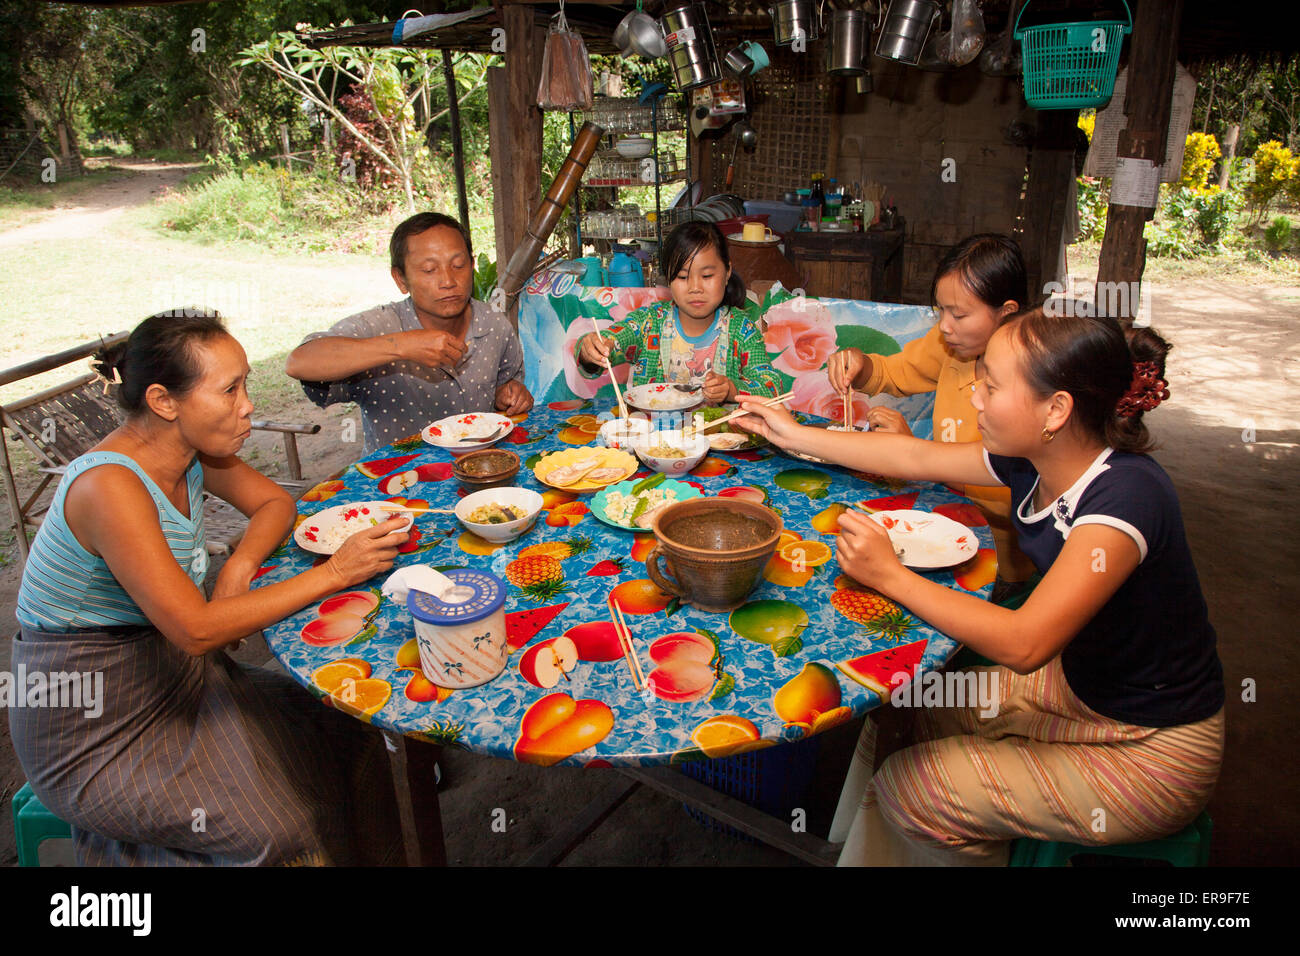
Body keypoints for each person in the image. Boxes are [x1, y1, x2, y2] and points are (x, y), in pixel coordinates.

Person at [737, 308, 1225, 866]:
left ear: (1056, 409)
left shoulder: (1126, 501)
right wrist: (794, 434)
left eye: (991, 386)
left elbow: (1024, 644)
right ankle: (862, 847)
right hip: (1081, 690)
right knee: (907, 706)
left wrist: (887, 575)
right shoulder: (1038, 457)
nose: (974, 400)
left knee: (910, 788)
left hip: (1153, 747)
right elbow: (916, 455)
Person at [11, 311, 407, 865]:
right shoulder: (110, 487)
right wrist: (336, 572)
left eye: (244, 383)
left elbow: (275, 503)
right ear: (163, 400)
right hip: (95, 725)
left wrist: (238, 567)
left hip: (178, 676)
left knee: (350, 731)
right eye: (229, 389)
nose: (248, 404)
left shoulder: (190, 451)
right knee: (276, 831)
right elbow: (196, 630)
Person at [827, 234, 1037, 593]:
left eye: (959, 314)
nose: (944, 326)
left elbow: (1011, 490)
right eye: (941, 310)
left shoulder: (1033, 383)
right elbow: (891, 372)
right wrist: (858, 364)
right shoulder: (951, 348)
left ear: (1007, 312)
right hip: (936, 533)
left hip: (999, 561)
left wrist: (917, 454)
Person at [286, 212, 533, 452]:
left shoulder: (494, 326)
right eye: (429, 270)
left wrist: (508, 394)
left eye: (458, 265)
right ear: (401, 279)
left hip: (479, 471)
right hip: (397, 484)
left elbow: (506, 387)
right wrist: (401, 346)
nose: (448, 280)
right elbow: (300, 362)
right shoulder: (381, 326)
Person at [573, 221, 784, 405]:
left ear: (727, 272)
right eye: (683, 277)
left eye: (707, 275)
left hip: (721, 446)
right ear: (669, 280)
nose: (695, 288)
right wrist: (590, 349)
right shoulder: (649, 323)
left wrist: (731, 389)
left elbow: (772, 387)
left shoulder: (741, 329)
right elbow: (611, 341)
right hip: (655, 441)